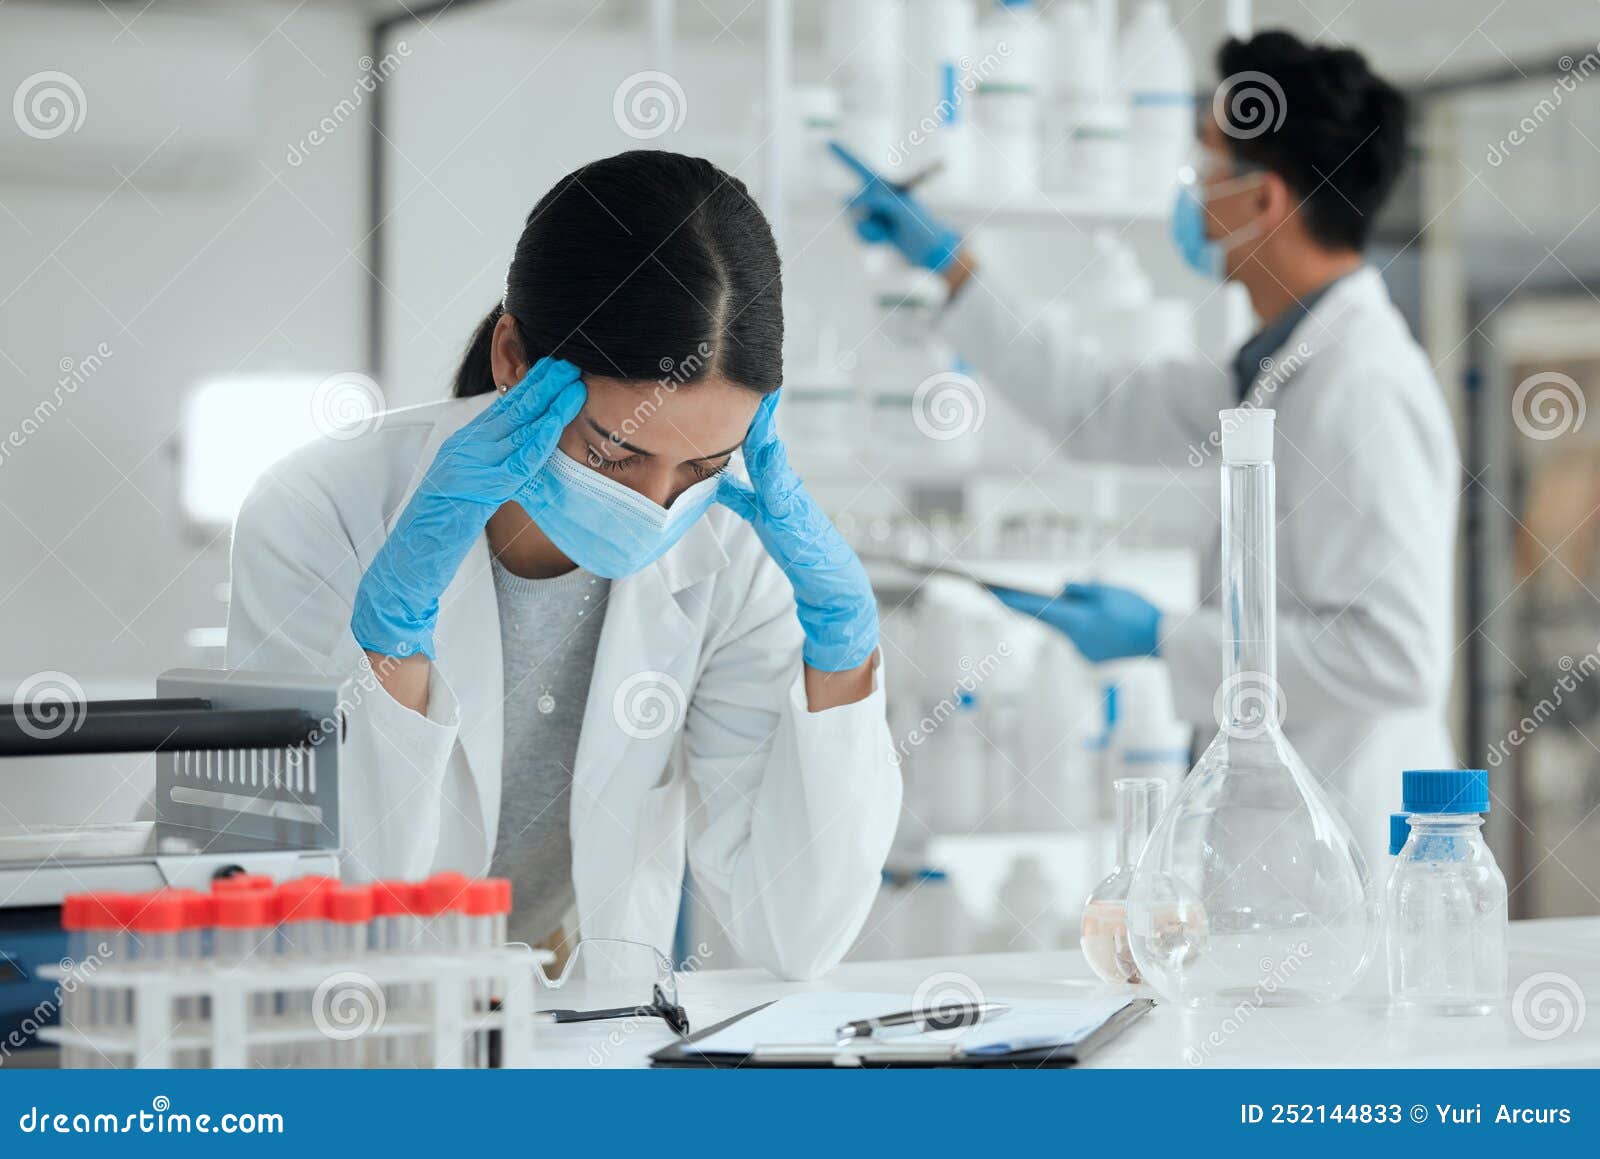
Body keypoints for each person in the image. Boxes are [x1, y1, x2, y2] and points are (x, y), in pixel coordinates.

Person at [226, 151, 899, 980]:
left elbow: (797, 930)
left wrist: (844, 656)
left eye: (703, 465)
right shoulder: (318, 506)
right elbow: (319, 918)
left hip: (569, 1018)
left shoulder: (736, 555)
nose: (658, 505)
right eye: (617, 452)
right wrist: (393, 638)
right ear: (514, 359)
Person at [837, 31, 1458, 863]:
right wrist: (951, 266)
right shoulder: (1284, 363)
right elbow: (1097, 405)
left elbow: (1397, 656)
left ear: (1263, 201)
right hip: (1292, 836)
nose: (1191, 194)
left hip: (1347, 832)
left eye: (1203, 169)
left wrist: (1163, 637)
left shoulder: (1360, 385)